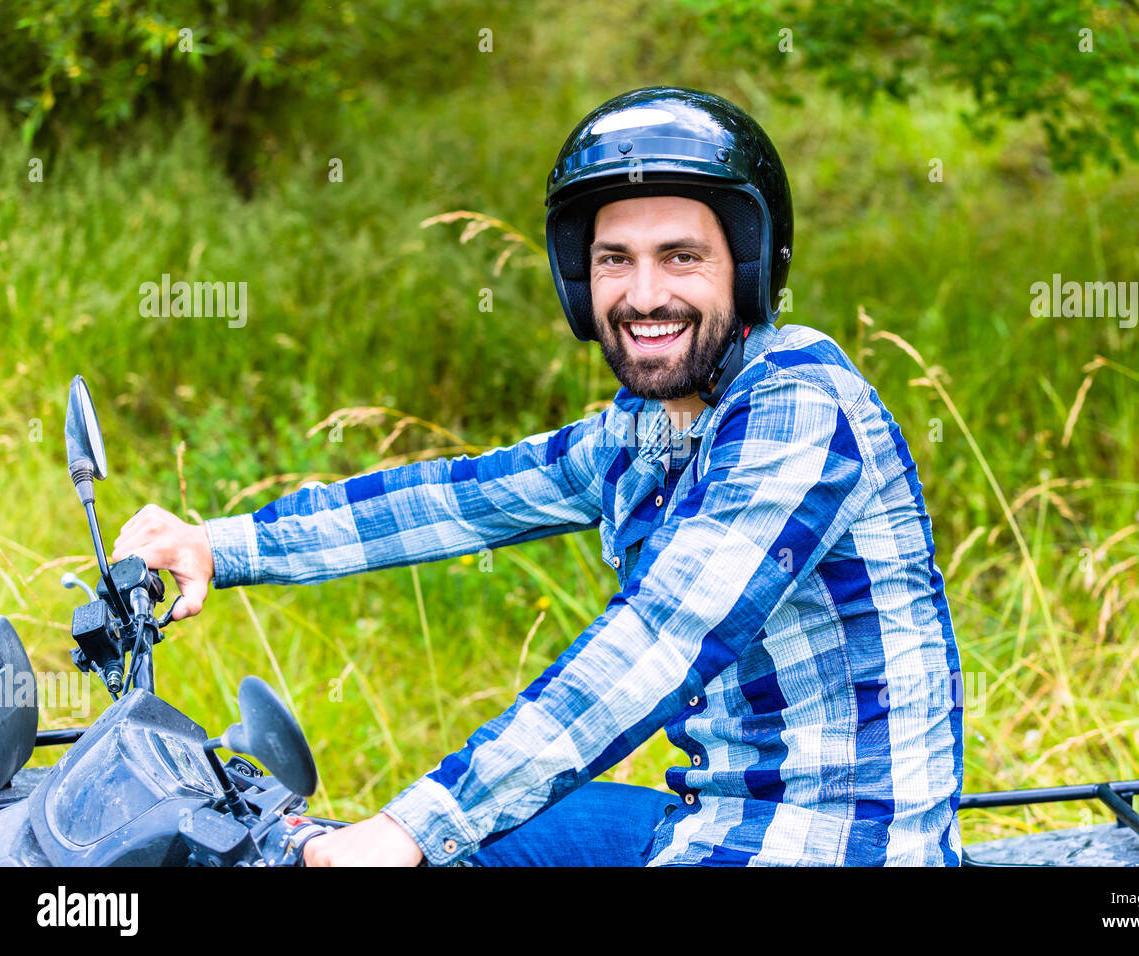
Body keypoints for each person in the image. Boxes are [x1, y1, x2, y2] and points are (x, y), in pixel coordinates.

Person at [112, 86, 964, 866]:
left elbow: (659, 646)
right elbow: (457, 501)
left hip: (834, 841)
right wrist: (220, 545)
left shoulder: (799, 410)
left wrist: (417, 823)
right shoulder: (644, 429)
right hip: (715, 813)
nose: (643, 294)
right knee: (457, 847)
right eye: (613, 260)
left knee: (433, 837)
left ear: (747, 267)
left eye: (681, 258)